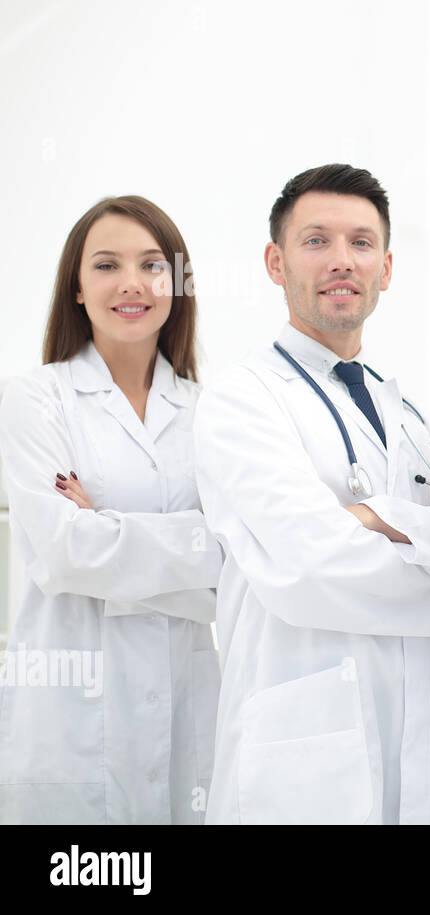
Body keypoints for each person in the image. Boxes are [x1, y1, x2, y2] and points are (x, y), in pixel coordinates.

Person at [193, 164, 430, 824]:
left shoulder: (409, 413)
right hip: (301, 763)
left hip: (418, 756)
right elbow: (311, 563)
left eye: (361, 243)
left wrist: (374, 518)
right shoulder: (241, 400)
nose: (341, 260)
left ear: (385, 268)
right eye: (316, 241)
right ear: (276, 262)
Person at [0, 196, 222, 824]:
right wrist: (199, 550)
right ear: (76, 286)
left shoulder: (213, 415)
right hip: (70, 723)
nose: (132, 283)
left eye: (153, 264)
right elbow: (65, 557)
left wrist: (106, 530)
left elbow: (243, 569)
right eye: (105, 265)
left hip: (189, 715)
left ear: (177, 285)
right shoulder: (36, 399)